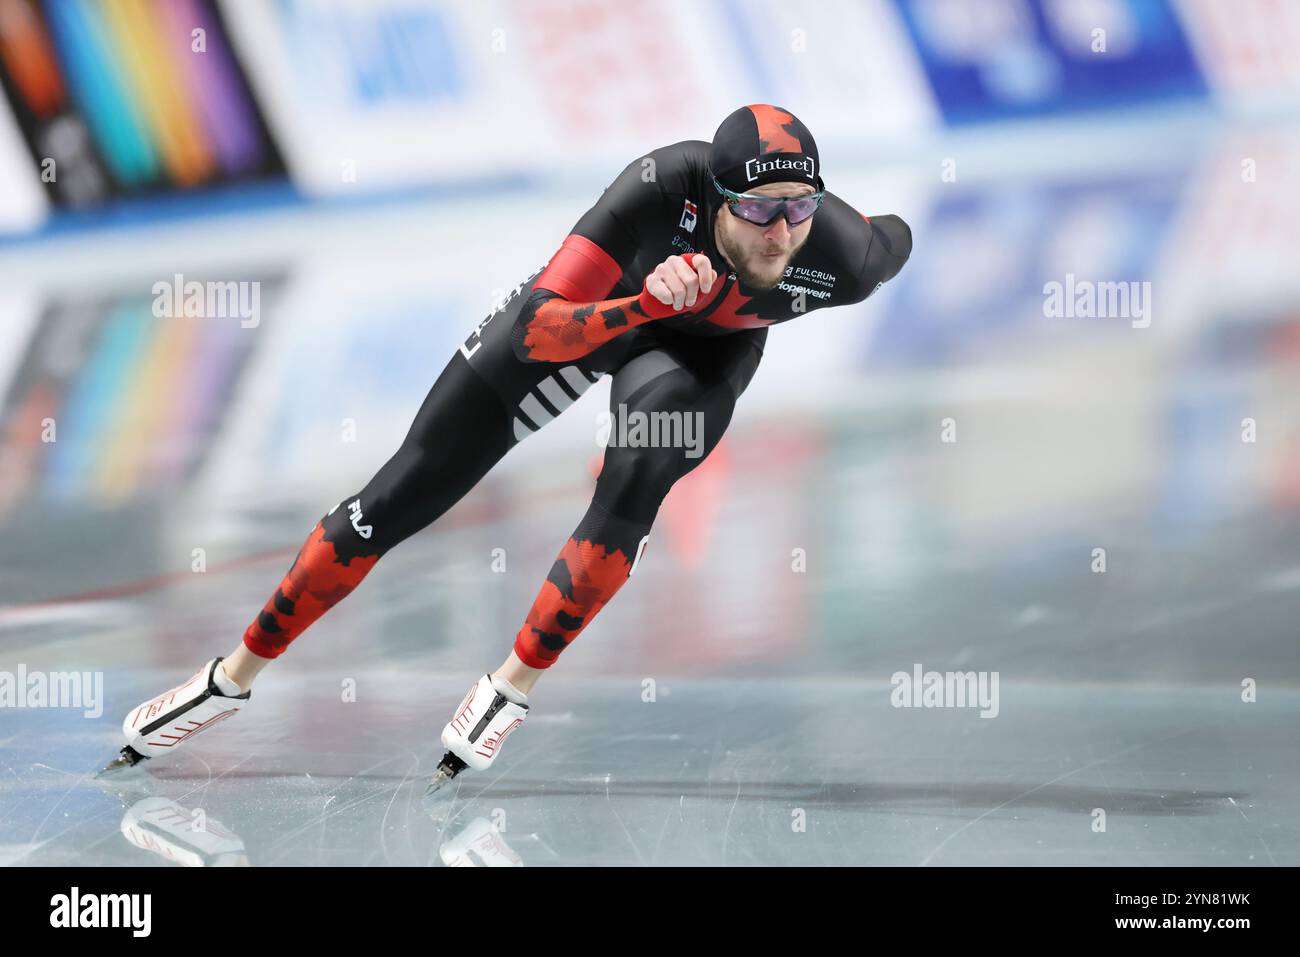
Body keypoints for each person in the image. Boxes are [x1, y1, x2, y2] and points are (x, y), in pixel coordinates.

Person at [103, 104, 912, 795]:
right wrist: (638, 303)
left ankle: (510, 686)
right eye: (759, 211)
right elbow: (536, 328)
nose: (781, 234)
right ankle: (229, 678)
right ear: (716, 198)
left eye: (799, 209)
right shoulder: (657, 186)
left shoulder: (844, 255)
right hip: (593, 318)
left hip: (700, 359)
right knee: (396, 494)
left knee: (636, 472)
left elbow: (895, 235)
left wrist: (713, 293)